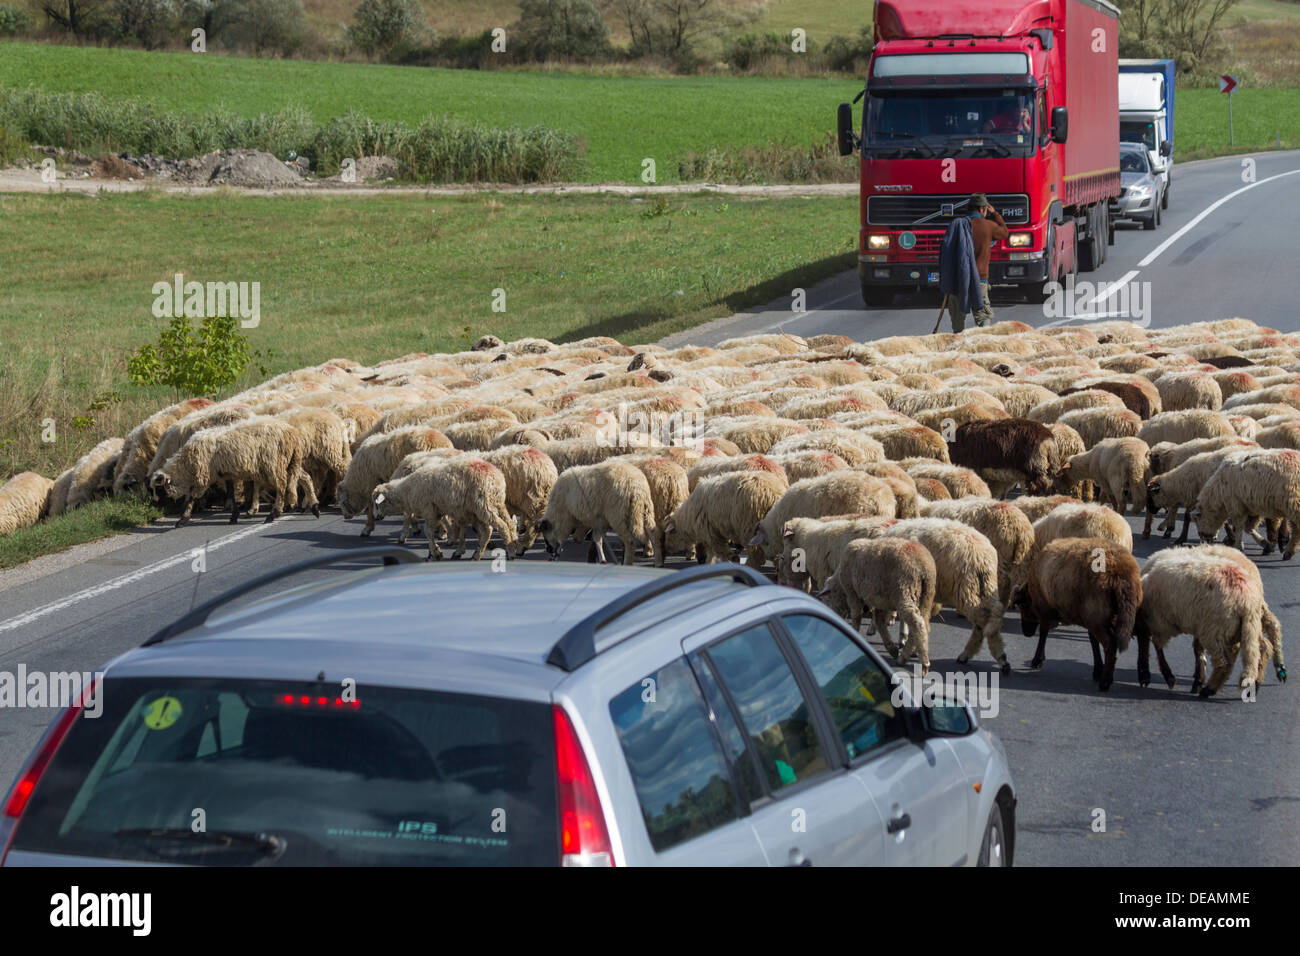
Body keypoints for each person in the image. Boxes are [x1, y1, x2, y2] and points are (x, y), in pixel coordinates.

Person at [943, 194, 1007, 331]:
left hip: (959, 277)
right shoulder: (988, 226)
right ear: (983, 209)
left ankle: (958, 341)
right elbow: (1004, 232)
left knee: (957, 314)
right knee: (982, 313)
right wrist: (995, 213)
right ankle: (984, 340)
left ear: (968, 208)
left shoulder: (958, 225)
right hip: (980, 278)